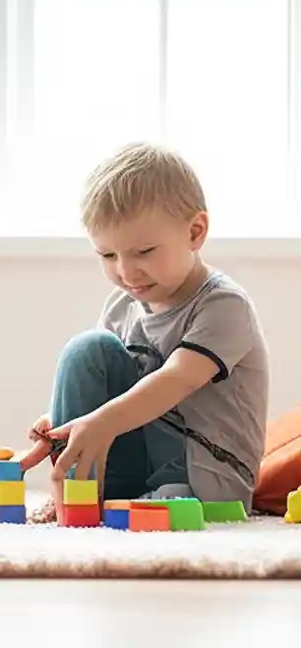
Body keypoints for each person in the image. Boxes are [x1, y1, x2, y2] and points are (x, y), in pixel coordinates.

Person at [20, 142, 269, 519]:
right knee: (87, 349)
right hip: (138, 459)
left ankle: (129, 501)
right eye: (108, 255)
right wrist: (64, 421)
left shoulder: (224, 306)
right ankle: (77, 496)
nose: (126, 271)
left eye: (144, 252)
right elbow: (108, 390)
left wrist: (99, 421)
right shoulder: (122, 305)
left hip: (204, 473)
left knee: (170, 501)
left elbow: (177, 379)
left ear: (195, 232)